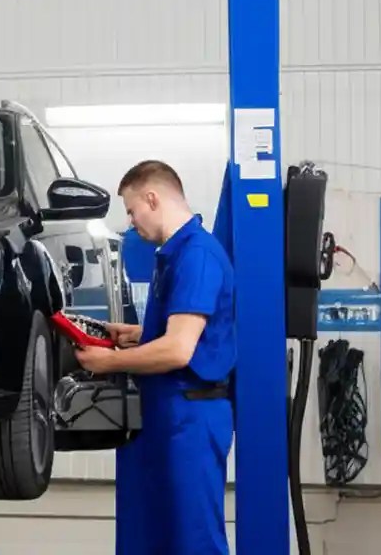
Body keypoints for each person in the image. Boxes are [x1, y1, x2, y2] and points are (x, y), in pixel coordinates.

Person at [74, 160, 236, 555]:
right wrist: (136, 335)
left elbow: (179, 349)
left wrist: (108, 362)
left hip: (190, 418)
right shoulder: (174, 254)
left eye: (132, 211)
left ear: (152, 198)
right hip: (166, 413)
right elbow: (178, 333)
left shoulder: (197, 256)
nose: (131, 222)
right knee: (154, 533)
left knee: (192, 536)